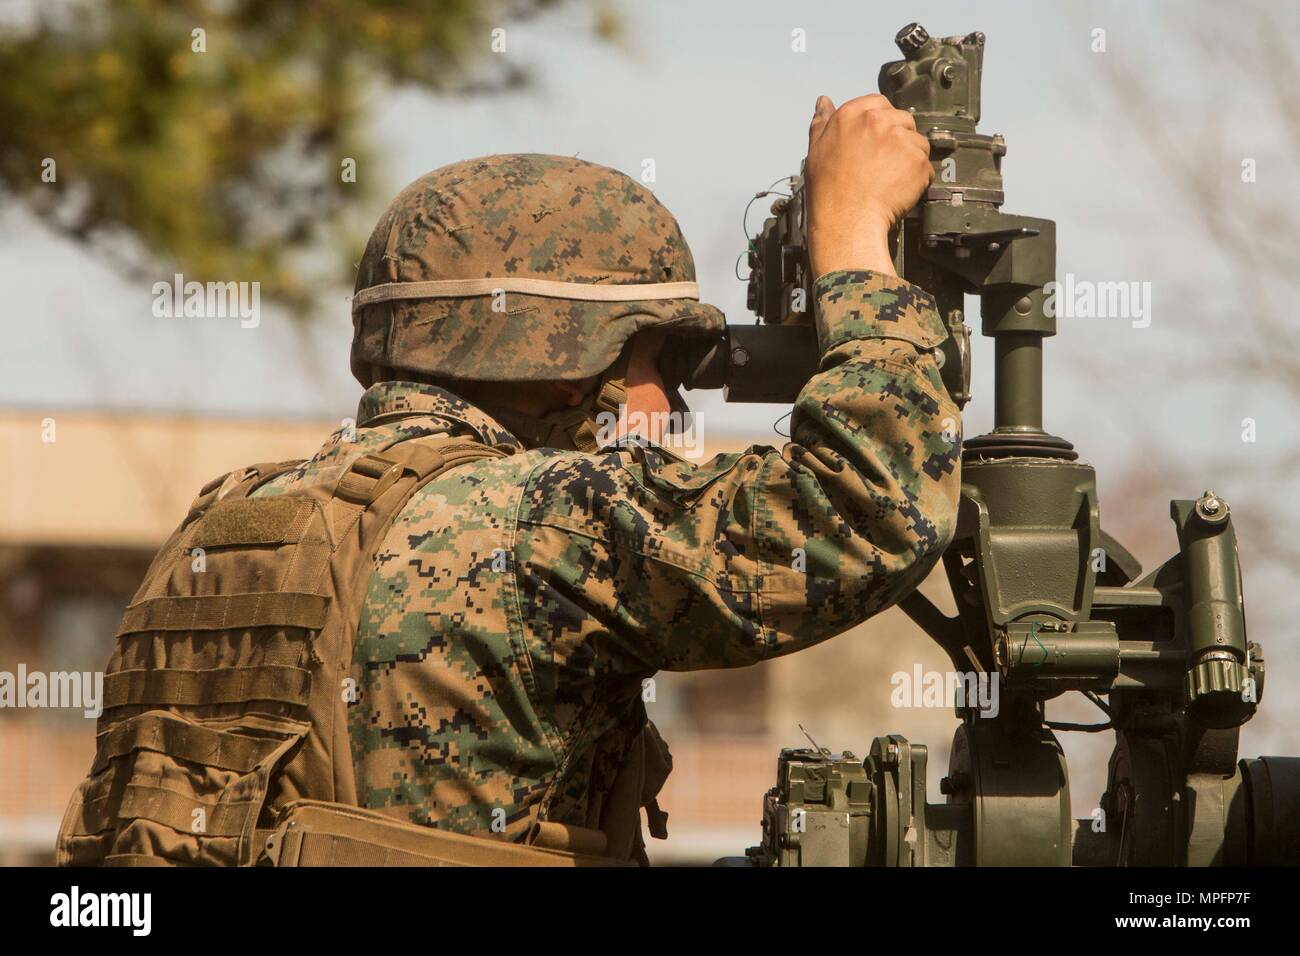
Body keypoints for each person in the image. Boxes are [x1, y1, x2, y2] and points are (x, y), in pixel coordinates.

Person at [58, 94, 960, 866]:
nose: (671, 408)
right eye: (659, 362)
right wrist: (851, 239)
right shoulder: (534, 528)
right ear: (569, 366)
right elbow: (867, 508)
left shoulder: (221, 524)